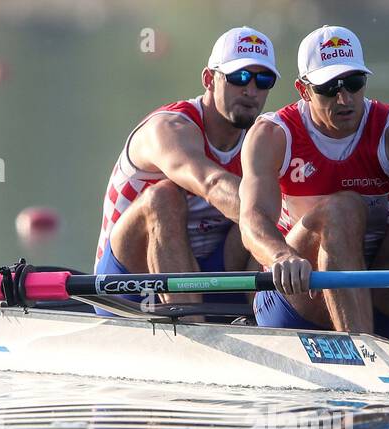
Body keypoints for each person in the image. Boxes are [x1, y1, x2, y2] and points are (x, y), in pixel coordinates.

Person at [240, 25, 389, 340]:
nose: (345, 98)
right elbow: (251, 219)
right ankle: (364, 350)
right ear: (304, 90)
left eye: (354, 83)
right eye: (330, 87)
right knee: (342, 208)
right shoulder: (273, 135)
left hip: (375, 289)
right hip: (297, 296)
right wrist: (280, 256)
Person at [93, 27, 277, 313]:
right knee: (163, 197)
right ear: (209, 79)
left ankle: (268, 320)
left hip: (211, 274)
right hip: (128, 283)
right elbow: (211, 183)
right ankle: (191, 329)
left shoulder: (263, 140)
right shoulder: (168, 129)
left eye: (263, 80)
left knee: (277, 201)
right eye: (238, 77)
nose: (251, 90)